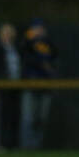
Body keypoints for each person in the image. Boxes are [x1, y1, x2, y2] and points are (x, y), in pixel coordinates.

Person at [18, 19, 57, 149]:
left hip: (45, 86)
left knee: (42, 119)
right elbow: (23, 53)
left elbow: (55, 56)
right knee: (28, 119)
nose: (39, 31)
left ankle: (37, 147)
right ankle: (26, 147)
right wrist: (29, 38)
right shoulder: (26, 43)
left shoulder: (48, 44)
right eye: (36, 29)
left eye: (41, 28)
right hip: (30, 85)